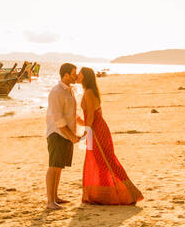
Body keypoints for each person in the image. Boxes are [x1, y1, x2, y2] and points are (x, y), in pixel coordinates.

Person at [78, 67, 144, 205]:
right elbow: (92, 116)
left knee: (106, 161)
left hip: (95, 131)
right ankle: (104, 194)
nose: (78, 75)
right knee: (101, 161)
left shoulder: (89, 93)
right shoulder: (89, 91)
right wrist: (79, 121)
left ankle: (130, 192)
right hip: (95, 129)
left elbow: (91, 116)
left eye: (80, 73)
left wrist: (85, 133)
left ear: (85, 77)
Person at [45, 63, 83, 210]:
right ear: (66, 75)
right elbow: (58, 119)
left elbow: (71, 113)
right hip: (57, 133)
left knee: (59, 167)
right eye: (74, 73)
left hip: (66, 134)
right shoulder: (56, 92)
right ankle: (50, 201)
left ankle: (55, 197)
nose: (76, 75)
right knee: (53, 166)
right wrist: (72, 136)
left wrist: (82, 122)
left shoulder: (69, 91)